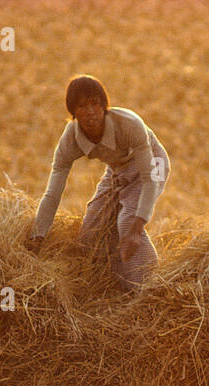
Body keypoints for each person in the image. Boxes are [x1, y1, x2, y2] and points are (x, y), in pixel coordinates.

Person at [27, 75, 170, 291]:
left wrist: (136, 228)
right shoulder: (71, 140)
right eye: (82, 106)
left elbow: (149, 178)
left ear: (104, 106)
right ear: (73, 113)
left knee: (127, 221)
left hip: (152, 162)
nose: (90, 112)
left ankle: (149, 287)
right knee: (90, 233)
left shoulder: (129, 124)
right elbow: (53, 193)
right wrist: (38, 235)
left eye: (95, 103)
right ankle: (117, 281)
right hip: (117, 168)